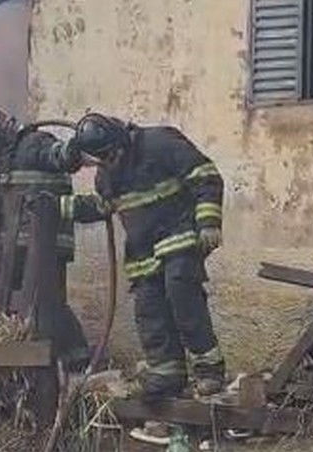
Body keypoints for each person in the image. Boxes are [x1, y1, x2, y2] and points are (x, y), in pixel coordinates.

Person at [61, 112, 226, 409]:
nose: (110, 162)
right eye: (102, 159)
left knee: (181, 294)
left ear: (122, 139)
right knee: (149, 309)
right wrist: (59, 206)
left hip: (181, 236)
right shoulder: (106, 174)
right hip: (143, 252)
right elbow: (104, 206)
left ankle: (209, 370)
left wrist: (209, 221)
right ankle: (166, 374)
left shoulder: (161, 142)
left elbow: (206, 176)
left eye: (112, 155)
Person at [0, 106, 90, 370]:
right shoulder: (6, 159)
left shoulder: (34, 143)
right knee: (28, 300)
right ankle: (43, 355)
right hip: (21, 244)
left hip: (47, 241)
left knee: (49, 300)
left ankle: (76, 359)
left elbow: (62, 158)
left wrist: (75, 148)